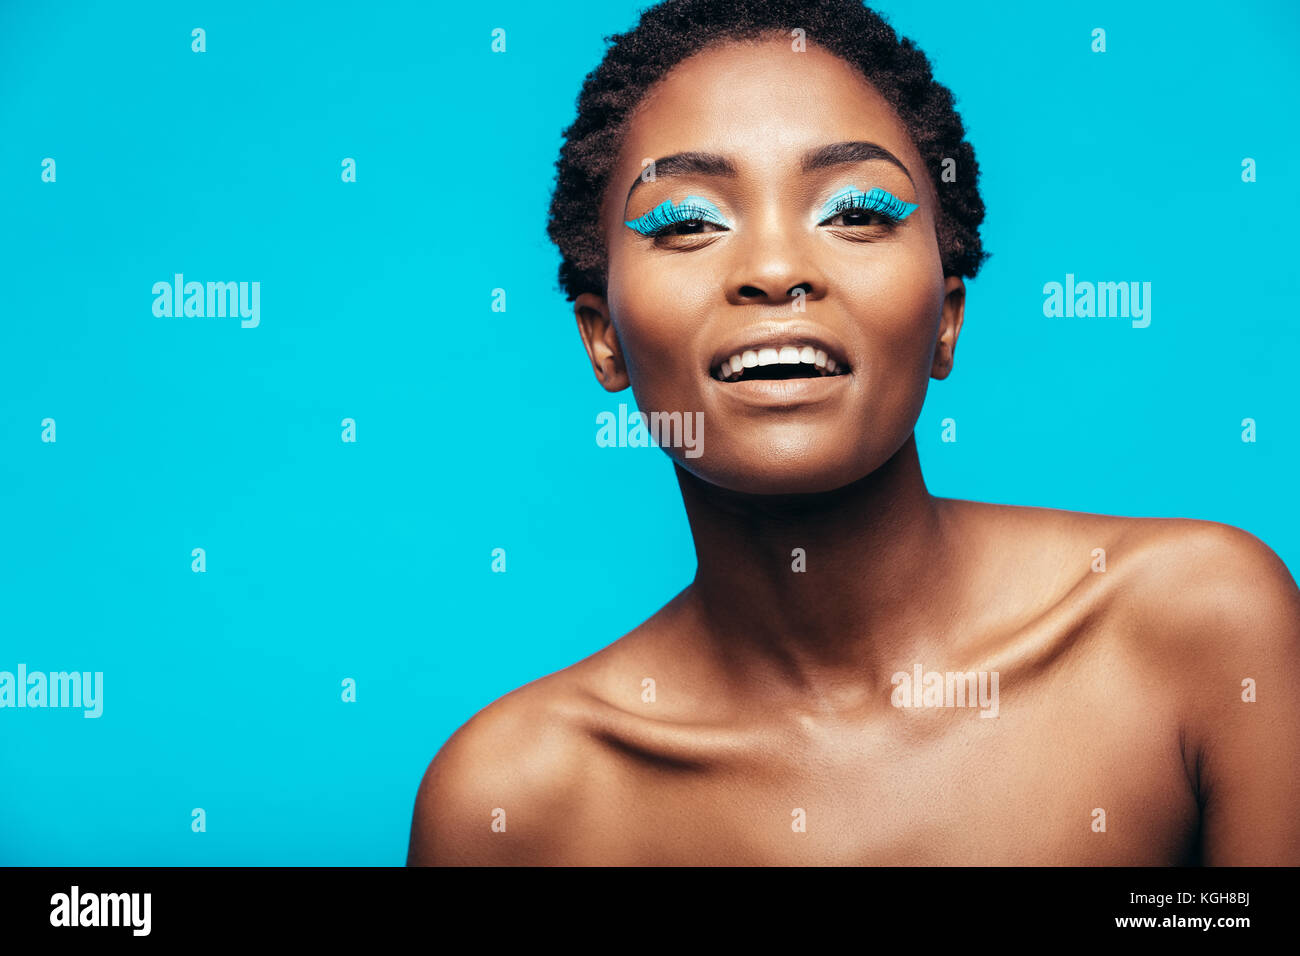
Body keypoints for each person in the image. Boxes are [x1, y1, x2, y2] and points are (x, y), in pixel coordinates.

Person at [408, 0, 1300, 865]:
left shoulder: (1195, 628)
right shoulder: (511, 804)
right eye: (685, 222)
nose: (775, 270)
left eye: (856, 213)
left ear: (947, 319)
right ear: (604, 339)